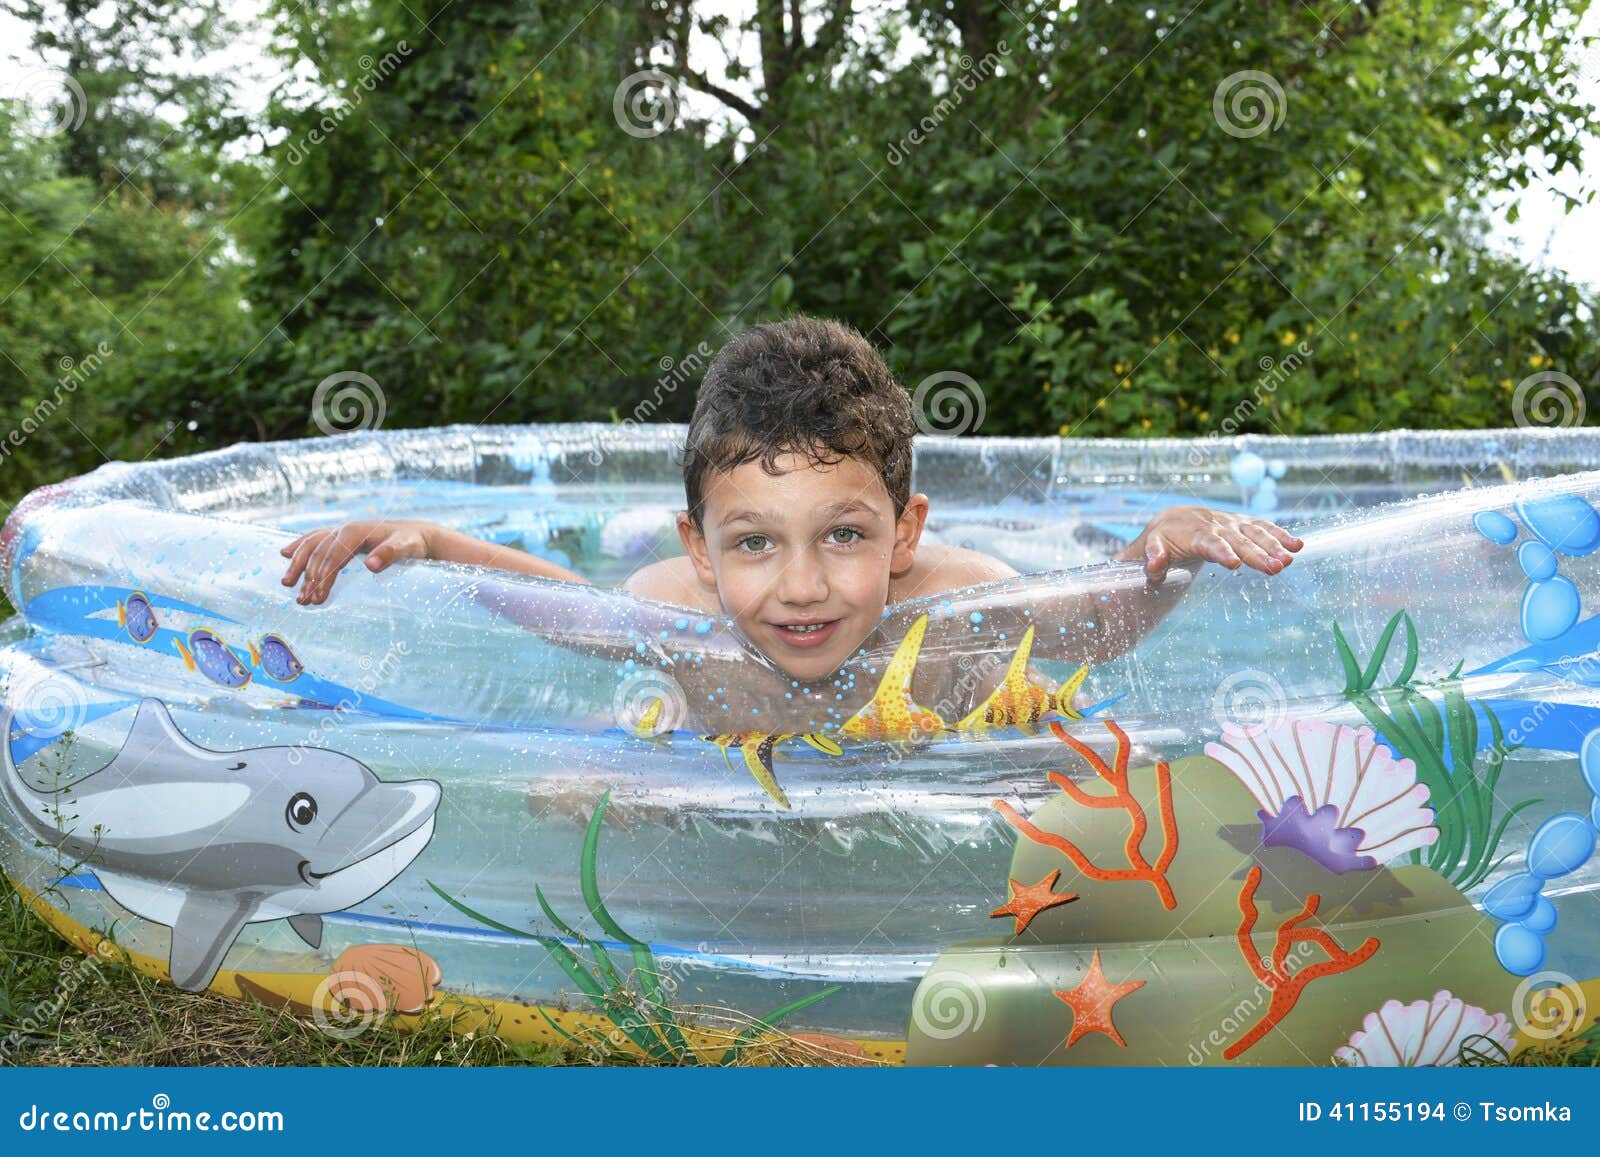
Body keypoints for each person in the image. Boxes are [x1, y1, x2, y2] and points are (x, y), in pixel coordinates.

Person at [280, 315, 1300, 707]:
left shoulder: (959, 604)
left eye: (845, 533)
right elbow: (563, 610)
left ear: (905, 534)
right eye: (755, 542)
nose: (801, 585)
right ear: (700, 546)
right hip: (730, 743)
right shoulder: (674, 604)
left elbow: (1098, 624)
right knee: (599, 787)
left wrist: (1164, 541)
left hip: (923, 736)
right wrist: (436, 540)